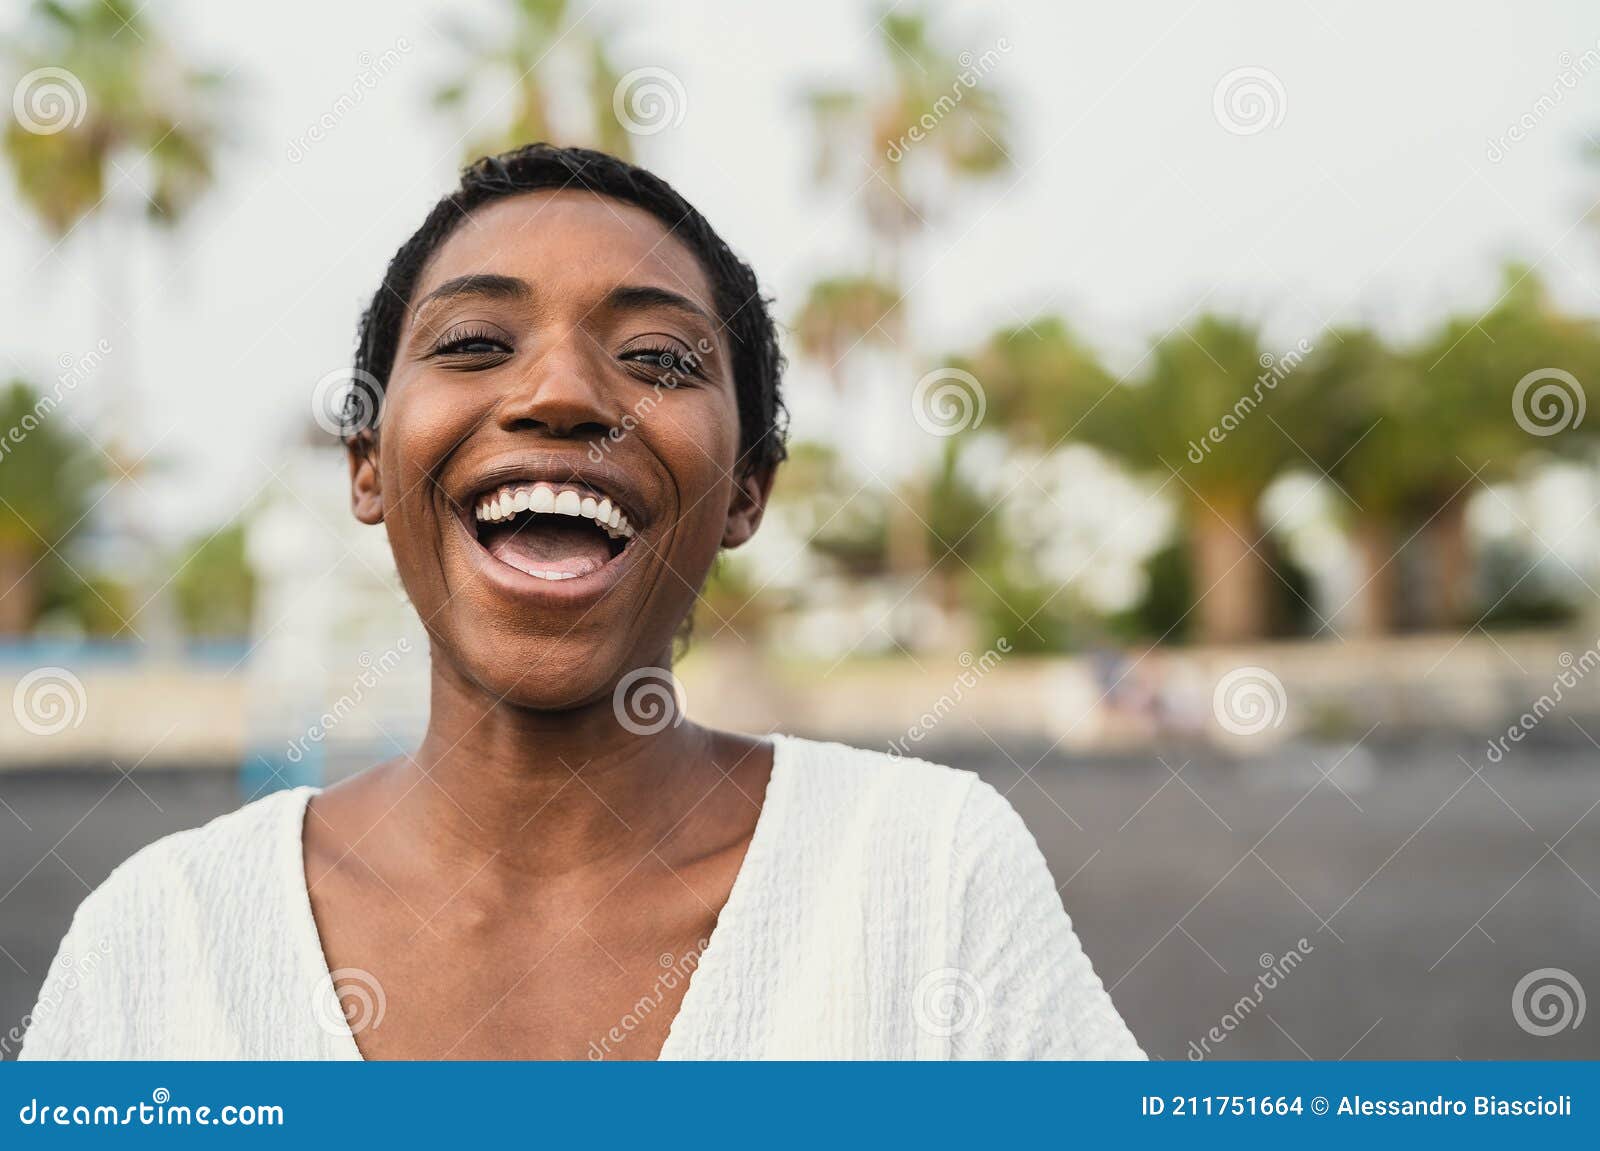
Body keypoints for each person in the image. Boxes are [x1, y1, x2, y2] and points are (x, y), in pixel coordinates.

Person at [21, 144, 1141, 1060]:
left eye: (657, 358)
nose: (559, 392)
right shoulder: (160, 936)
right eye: (472, 343)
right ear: (366, 463)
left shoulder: (925, 872)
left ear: (746, 488)